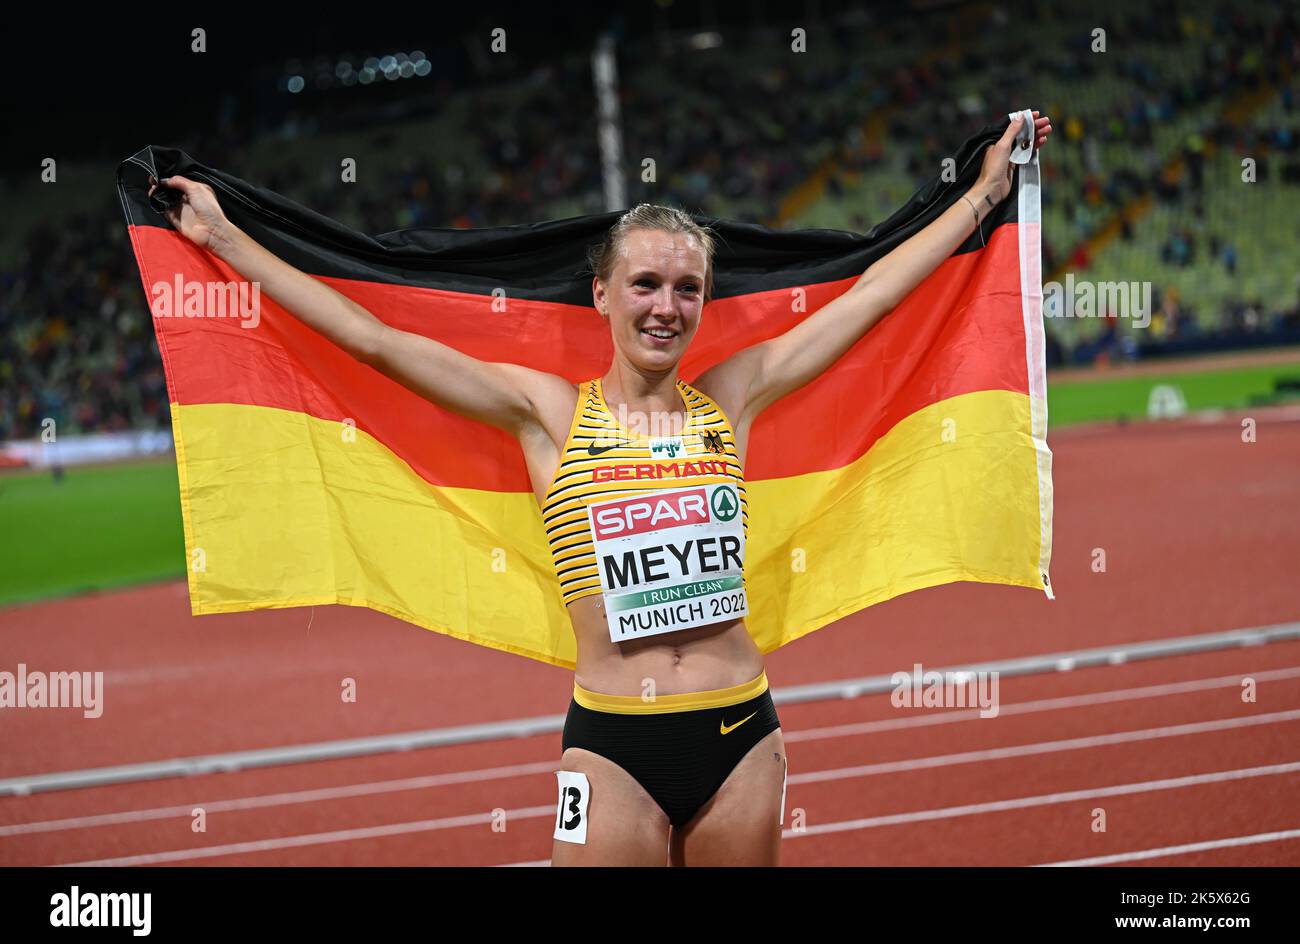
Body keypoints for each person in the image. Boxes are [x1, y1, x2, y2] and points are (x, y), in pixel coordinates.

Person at [149, 111, 1052, 866]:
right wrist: (225, 239)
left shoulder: (732, 394)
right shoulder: (547, 414)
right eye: (646, 284)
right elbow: (375, 341)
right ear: (602, 296)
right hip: (613, 739)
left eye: (688, 288)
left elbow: (870, 300)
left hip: (741, 730)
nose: (667, 306)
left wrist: (981, 196)